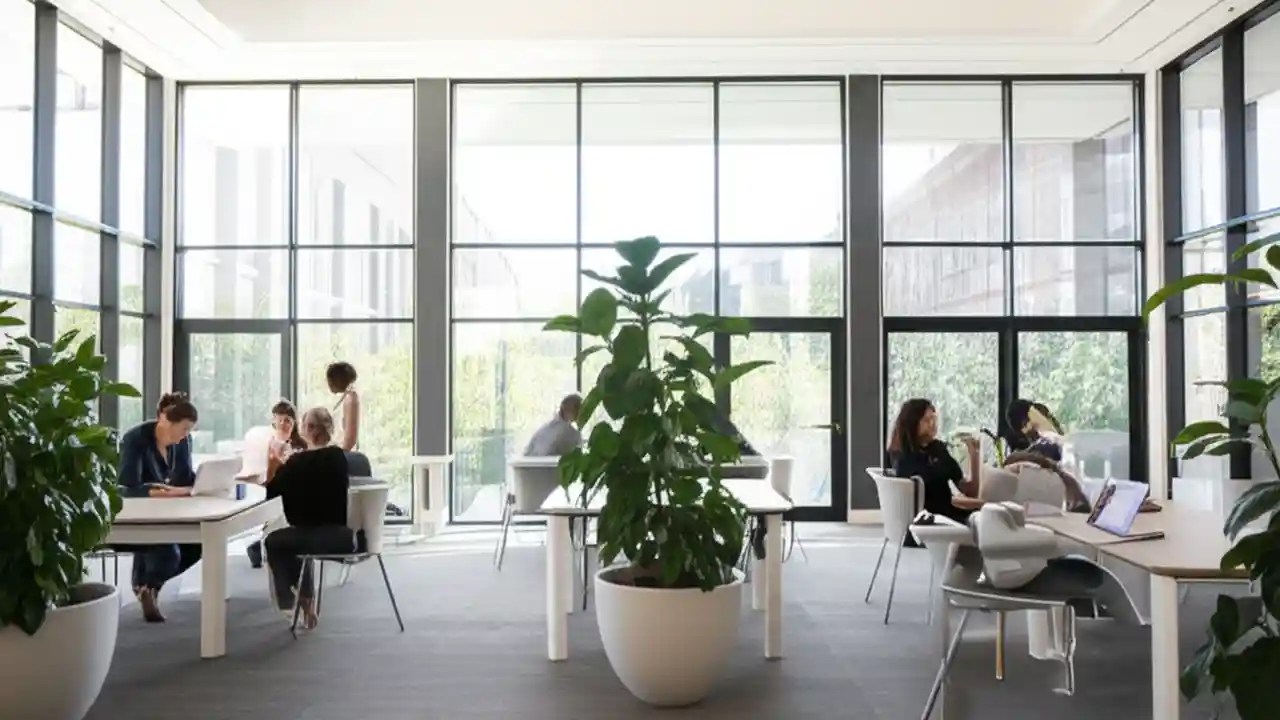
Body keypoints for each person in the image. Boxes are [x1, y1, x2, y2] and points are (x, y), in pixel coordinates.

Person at [264, 407, 353, 629]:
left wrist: (274, 466)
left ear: (308, 429)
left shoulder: (296, 463)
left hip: (315, 537)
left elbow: (271, 493)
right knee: (299, 540)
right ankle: (307, 605)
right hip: (343, 536)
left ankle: (289, 600)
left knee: (276, 541)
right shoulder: (339, 458)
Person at [116, 393, 201, 622]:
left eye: (189, 431)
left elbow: (186, 478)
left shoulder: (182, 443)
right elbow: (125, 488)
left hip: (169, 514)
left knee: (198, 544)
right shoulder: (135, 440)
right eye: (184, 429)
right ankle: (146, 586)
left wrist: (204, 483)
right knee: (169, 552)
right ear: (165, 420)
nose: (185, 436)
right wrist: (158, 493)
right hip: (135, 518)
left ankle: (148, 586)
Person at [887, 398, 983, 526]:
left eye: (934, 419)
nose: (932, 424)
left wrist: (974, 455)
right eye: (926, 420)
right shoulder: (903, 457)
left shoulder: (938, 449)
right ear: (912, 423)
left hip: (947, 515)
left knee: (988, 516)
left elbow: (970, 491)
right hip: (929, 521)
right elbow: (927, 502)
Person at [247, 400, 309, 568]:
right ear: (274, 421)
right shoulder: (266, 444)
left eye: (287, 420)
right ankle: (265, 543)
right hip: (275, 488)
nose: (283, 424)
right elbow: (266, 480)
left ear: (294, 423)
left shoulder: (301, 446)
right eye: (279, 420)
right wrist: (274, 464)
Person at [326, 361, 361, 452]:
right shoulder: (346, 397)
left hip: (344, 454)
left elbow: (350, 438)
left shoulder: (351, 398)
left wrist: (339, 455)